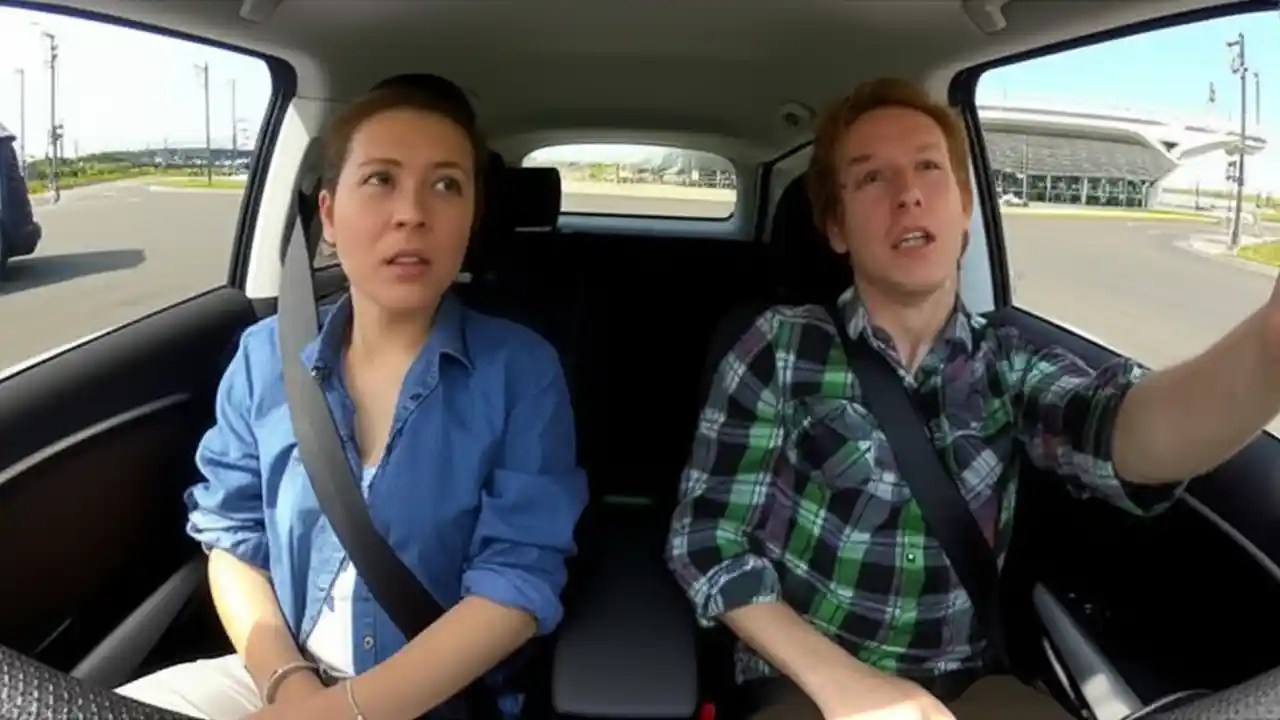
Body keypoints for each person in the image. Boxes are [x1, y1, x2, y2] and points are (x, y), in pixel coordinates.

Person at [666, 76, 1280, 720]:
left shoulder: (1010, 362)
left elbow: (1129, 430)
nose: (907, 195)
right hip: (803, 680)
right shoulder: (780, 346)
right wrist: (844, 685)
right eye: (871, 178)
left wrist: (1271, 343)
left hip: (968, 685)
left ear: (964, 210)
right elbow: (706, 540)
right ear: (837, 227)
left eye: (929, 167)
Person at [115, 77, 589, 720]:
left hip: (437, 703)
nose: (412, 213)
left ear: (471, 221)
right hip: (279, 680)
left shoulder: (522, 372)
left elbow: (516, 581)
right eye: (381, 179)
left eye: (447, 184)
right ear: (330, 216)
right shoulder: (264, 357)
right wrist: (293, 690)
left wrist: (346, 712)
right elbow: (231, 537)